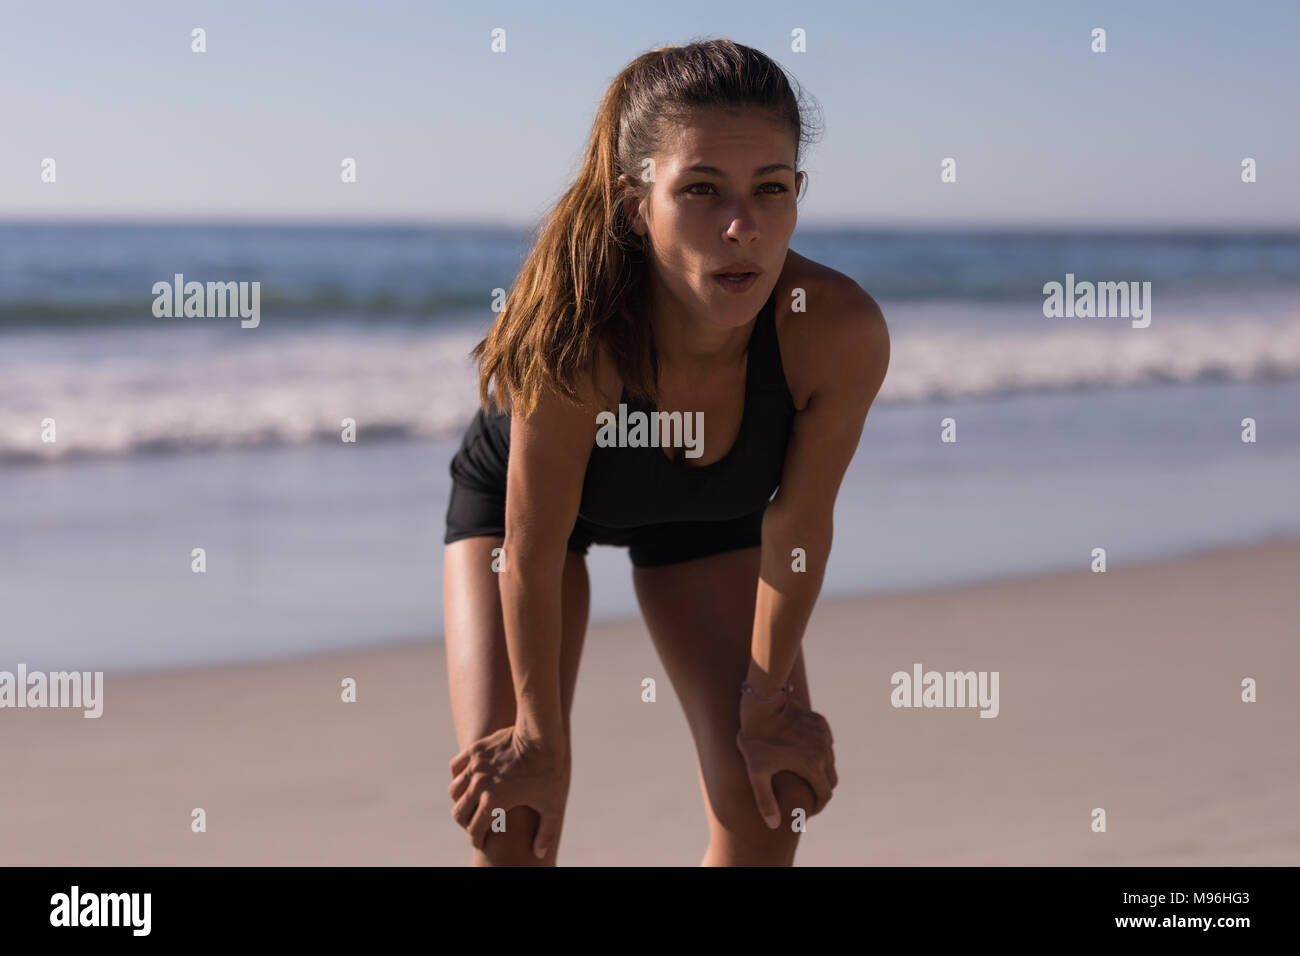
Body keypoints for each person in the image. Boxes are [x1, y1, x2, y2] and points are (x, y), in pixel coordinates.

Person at [442, 37, 889, 866]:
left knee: (774, 800)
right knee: (513, 819)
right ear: (633, 200)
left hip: (707, 519)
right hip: (528, 521)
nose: (742, 228)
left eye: (771, 189)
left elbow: (798, 526)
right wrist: (538, 740)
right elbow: (534, 551)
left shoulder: (836, 331)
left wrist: (765, 706)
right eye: (701, 189)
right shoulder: (577, 332)